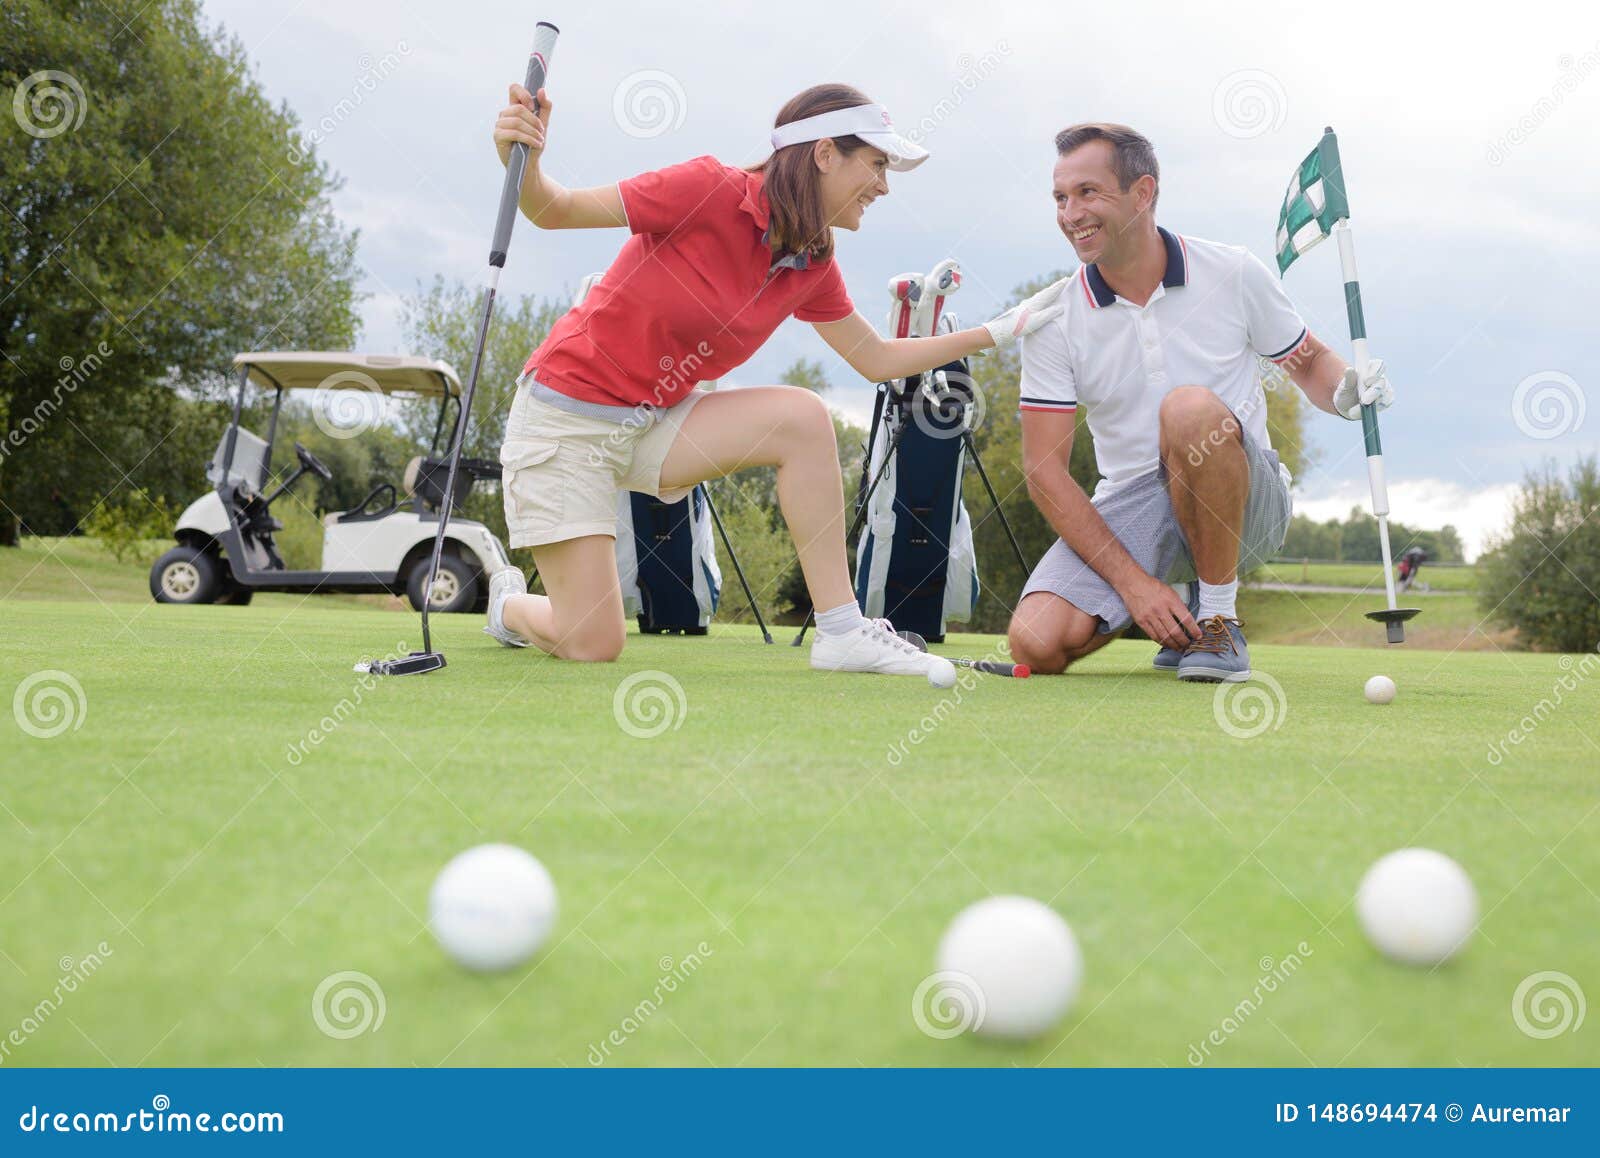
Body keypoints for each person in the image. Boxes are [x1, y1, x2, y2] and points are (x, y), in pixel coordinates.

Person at [481, 81, 1066, 676]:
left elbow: (876, 359)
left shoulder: (812, 259)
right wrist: (523, 158)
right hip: (567, 420)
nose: (885, 185)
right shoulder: (706, 188)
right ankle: (508, 608)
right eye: (877, 164)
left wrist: (997, 332)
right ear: (824, 154)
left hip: (658, 423)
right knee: (592, 642)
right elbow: (552, 209)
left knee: (803, 419)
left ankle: (841, 630)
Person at [1008, 123, 1394, 681]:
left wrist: (1346, 389)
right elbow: (1044, 470)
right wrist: (1134, 587)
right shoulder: (1051, 319)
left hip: (1244, 495)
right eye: (1061, 198)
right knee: (1036, 643)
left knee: (1188, 410)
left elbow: (1307, 363)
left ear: (1143, 193)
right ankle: (1186, 614)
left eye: (1089, 193)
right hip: (1134, 505)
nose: (1071, 214)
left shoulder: (1232, 270)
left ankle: (1217, 620)